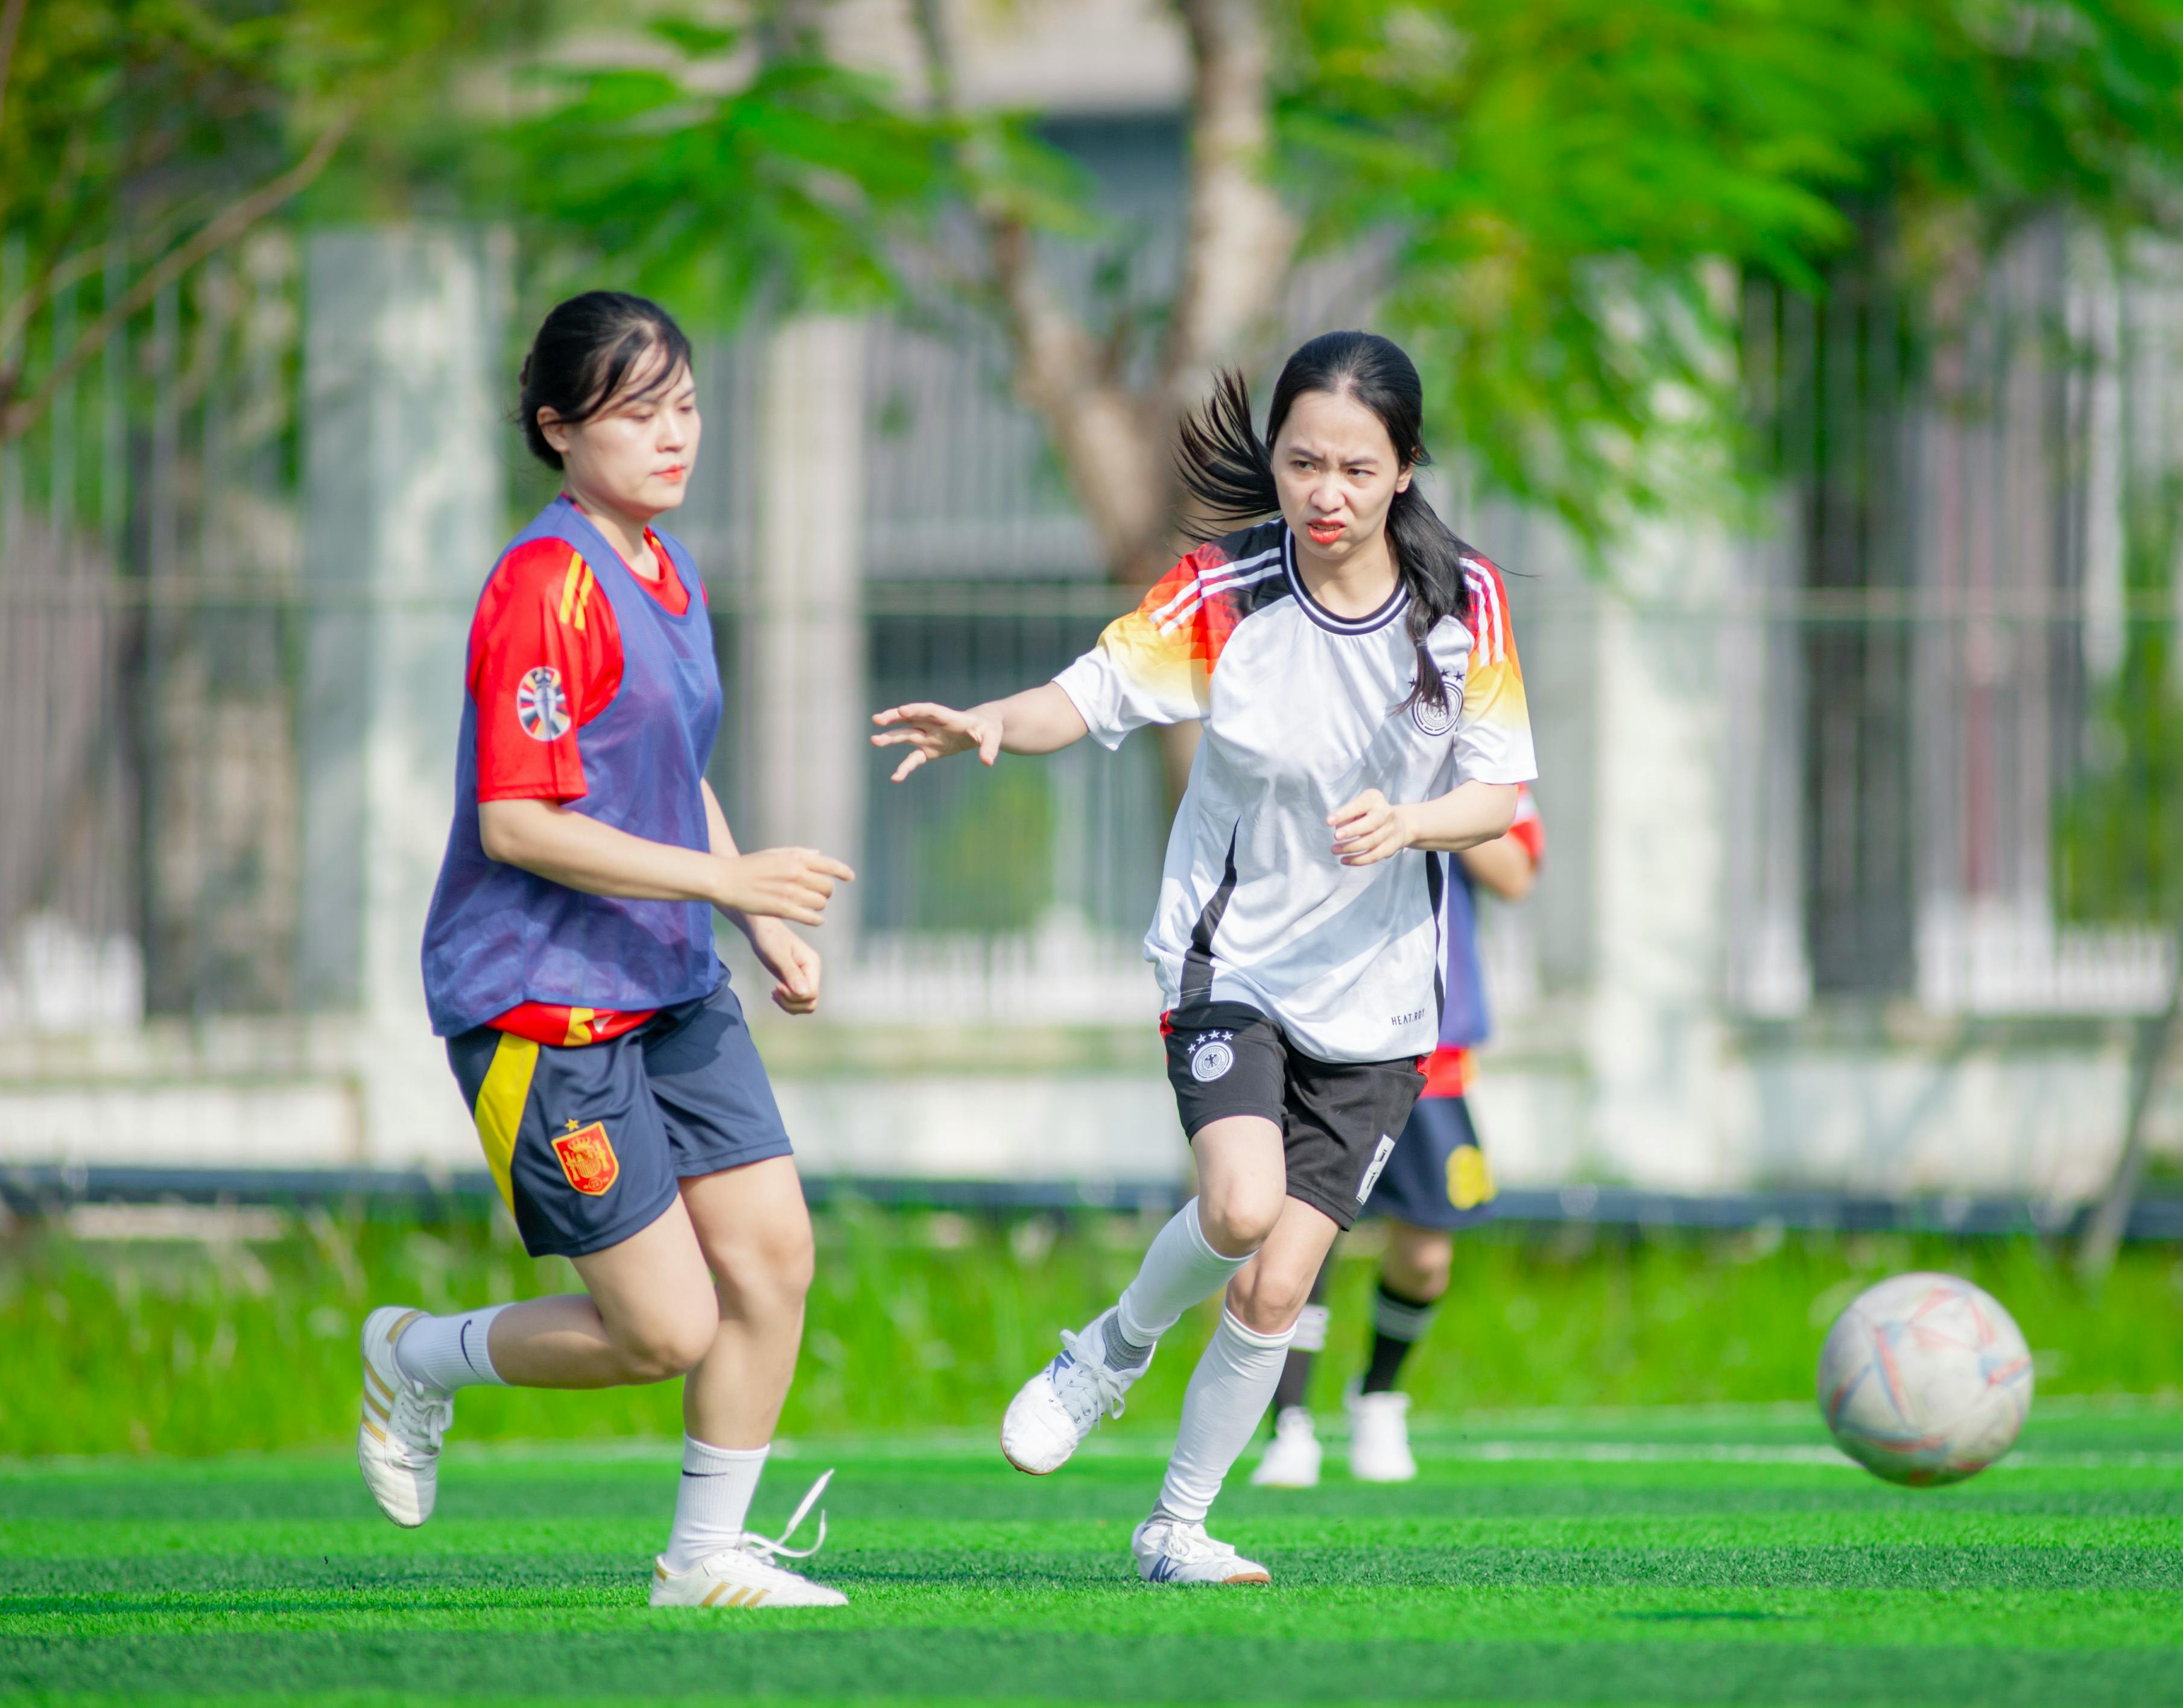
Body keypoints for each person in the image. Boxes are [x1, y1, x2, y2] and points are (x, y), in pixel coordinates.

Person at [872, 330, 1536, 1586]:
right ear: (1273, 462)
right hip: (1226, 961)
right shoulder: (1224, 593)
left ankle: (1177, 1527)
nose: (1323, 494)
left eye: (1354, 467)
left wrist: (1410, 820)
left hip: (1384, 999)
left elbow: (1497, 797)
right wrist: (991, 725)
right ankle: (1107, 1353)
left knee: (1281, 1288)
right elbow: (1088, 693)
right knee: (1237, 1205)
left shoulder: (1463, 605)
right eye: (1300, 463)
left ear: (1405, 470)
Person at [358, 291, 857, 1610]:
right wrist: (727, 880)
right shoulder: (543, 584)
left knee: (773, 1260)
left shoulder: (668, 570)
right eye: (640, 414)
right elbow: (518, 823)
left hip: (673, 985)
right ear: (558, 430)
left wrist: (751, 919)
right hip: (543, 1007)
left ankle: (704, 1562)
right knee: (664, 1329)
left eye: (685, 405)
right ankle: (418, 1356)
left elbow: (666, 774)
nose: (674, 436)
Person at [1251, 786, 1541, 1488]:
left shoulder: (1475, 753)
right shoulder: (1326, 722)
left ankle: (1378, 1395)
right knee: (1303, 1233)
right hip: (1320, 1026)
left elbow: (1513, 873)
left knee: (1426, 1254)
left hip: (1427, 1042)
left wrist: (1424, 814)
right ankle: (1287, 1422)